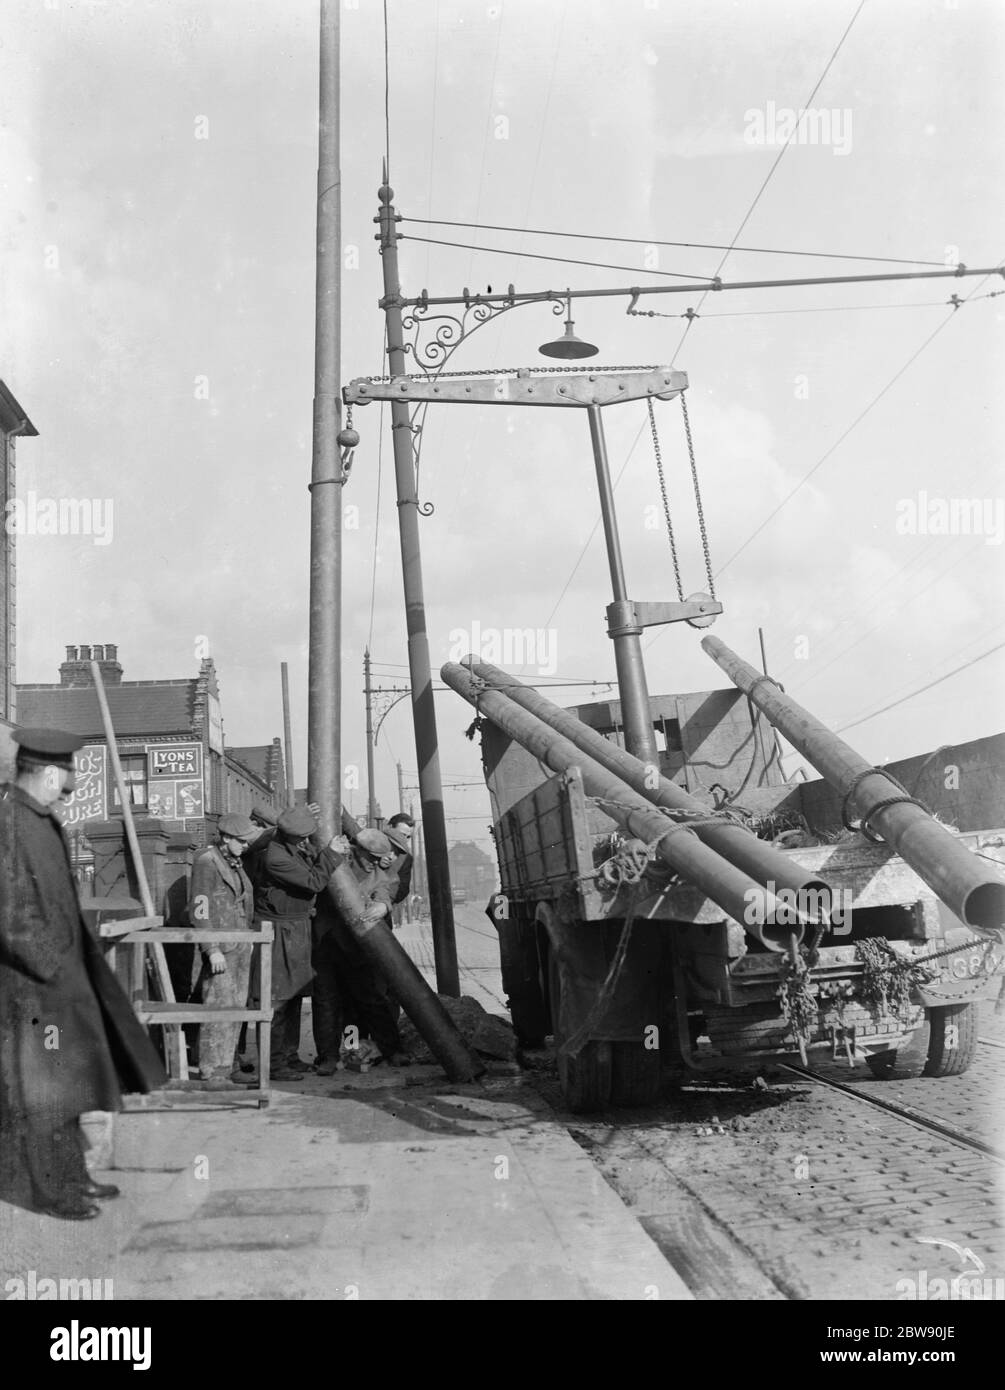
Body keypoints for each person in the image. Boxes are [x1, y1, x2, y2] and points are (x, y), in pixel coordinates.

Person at [0, 727, 167, 1220]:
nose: (72, 781)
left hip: (59, 987)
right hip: (36, 992)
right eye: (69, 773)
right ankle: (52, 1192)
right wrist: (52, 969)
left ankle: (74, 1177)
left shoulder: (35, 818)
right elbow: (11, 917)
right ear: (50, 773)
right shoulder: (12, 822)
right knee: (45, 1095)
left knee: (67, 1088)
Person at [251, 805, 344, 1080]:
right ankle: (275, 1064)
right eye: (301, 836)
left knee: (292, 997)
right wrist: (332, 852)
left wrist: (302, 815)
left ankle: (289, 1056)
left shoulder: (290, 845)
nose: (306, 841)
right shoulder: (276, 858)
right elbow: (314, 881)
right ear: (287, 835)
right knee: (278, 998)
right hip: (279, 930)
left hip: (296, 928)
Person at [312, 827, 410, 1074]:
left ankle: (389, 1050)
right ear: (358, 851)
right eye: (372, 859)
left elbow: (387, 888)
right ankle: (328, 1057)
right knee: (327, 1003)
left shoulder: (380, 872)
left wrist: (383, 906)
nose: (376, 864)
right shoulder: (337, 859)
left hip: (358, 947)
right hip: (326, 945)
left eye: (381, 859)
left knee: (368, 1001)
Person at [188, 812, 256, 1087]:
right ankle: (213, 1071)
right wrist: (211, 948)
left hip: (238, 945)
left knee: (235, 1006)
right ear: (226, 838)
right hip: (221, 949)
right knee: (218, 1007)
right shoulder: (207, 862)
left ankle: (228, 1065)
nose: (246, 845)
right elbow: (199, 909)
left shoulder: (234, 862)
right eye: (241, 840)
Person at [383, 812, 415, 927]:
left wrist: (383, 904)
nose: (405, 840)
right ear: (389, 828)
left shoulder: (406, 858)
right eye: (402, 835)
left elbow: (403, 889)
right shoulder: (370, 842)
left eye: (408, 837)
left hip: (381, 914)